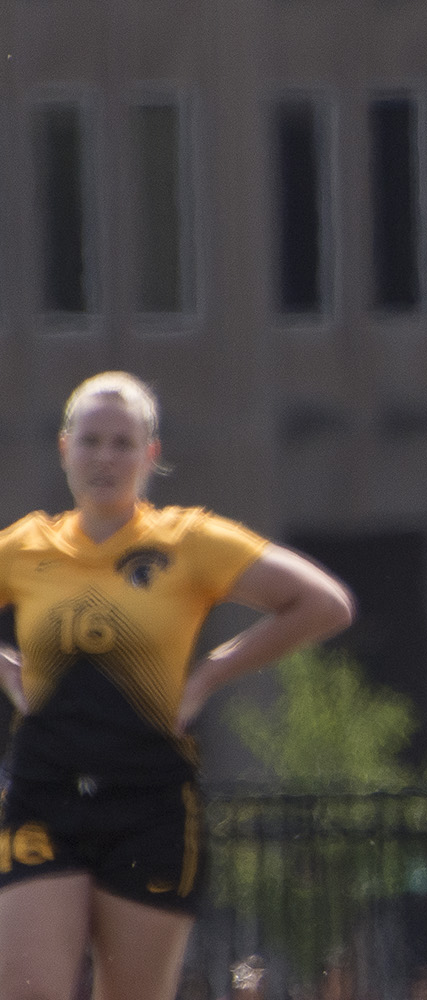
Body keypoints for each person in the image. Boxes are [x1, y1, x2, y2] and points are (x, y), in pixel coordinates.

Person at [0, 372, 355, 1000]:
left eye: (122, 443)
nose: (105, 458)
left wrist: (211, 675)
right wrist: (8, 672)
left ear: (150, 454)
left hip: (150, 801)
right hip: (44, 792)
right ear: (64, 448)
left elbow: (323, 604)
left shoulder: (188, 541)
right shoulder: (27, 547)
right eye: (90, 441)